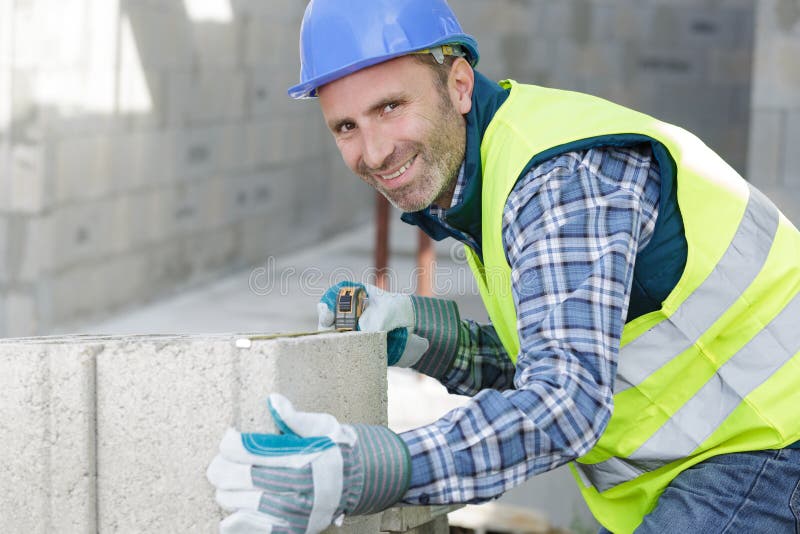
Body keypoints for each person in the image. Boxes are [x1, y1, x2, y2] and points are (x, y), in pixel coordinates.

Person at [206, 1, 800, 532]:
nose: (375, 151)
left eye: (391, 106)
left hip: (773, 443)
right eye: (346, 127)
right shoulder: (489, 173)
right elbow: (568, 346)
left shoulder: (559, 183)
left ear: (459, 85)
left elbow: (564, 403)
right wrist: (426, 337)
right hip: (722, 451)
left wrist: (367, 470)